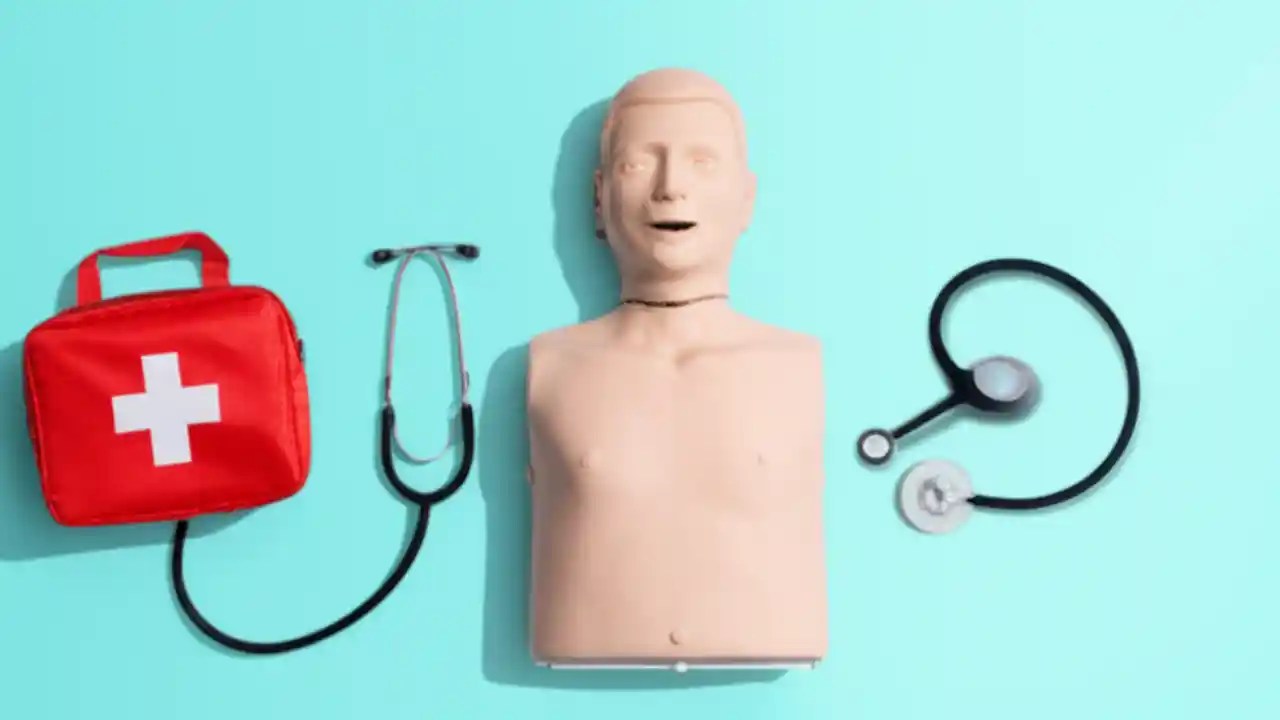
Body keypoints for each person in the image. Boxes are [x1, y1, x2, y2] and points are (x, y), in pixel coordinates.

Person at [526, 67, 828, 668]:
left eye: (702, 162)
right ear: (599, 197)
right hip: (578, 645)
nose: (670, 188)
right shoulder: (551, 365)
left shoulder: (797, 364)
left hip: (774, 645)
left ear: (747, 197)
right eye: (640, 163)